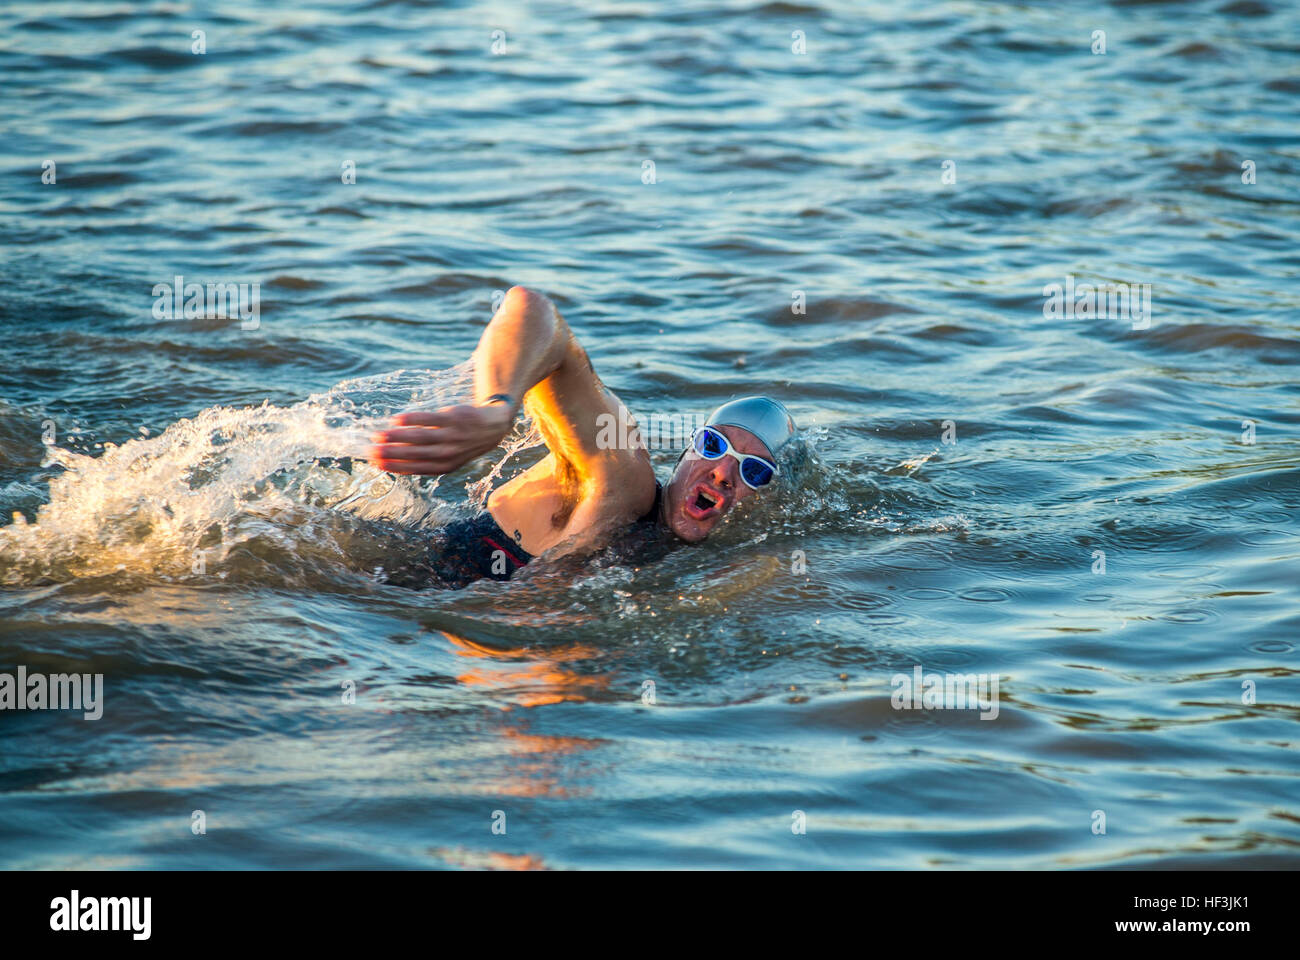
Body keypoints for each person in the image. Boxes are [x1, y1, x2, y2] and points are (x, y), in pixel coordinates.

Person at [366, 286, 796, 587]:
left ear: (768, 499)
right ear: (685, 452)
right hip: (389, 582)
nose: (722, 472)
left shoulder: (699, 559)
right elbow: (532, 311)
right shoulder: (624, 479)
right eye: (713, 445)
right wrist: (495, 409)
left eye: (754, 471)